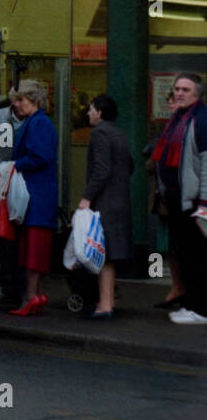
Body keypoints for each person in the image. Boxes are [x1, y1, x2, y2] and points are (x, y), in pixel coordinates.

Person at [150, 72, 207, 324]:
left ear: (197, 93)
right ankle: (191, 304)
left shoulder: (201, 119)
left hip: (195, 203)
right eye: (177, 89)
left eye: (186, 89)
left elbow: (206, 163)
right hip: (178, 202)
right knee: (185, 255)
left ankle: (200, 309)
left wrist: (204, 204)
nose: (180, 93)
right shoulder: (179, 118)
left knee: (197, 257)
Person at [78, 93, 133, 318]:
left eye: (91, 109)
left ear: (99, 113)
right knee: (107, 256)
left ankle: (105, 305)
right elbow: (130, 165)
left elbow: (101, 170)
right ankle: (106, 302)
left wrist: (86, 198)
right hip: (120, 199)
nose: (88, 113)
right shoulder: (119, 133)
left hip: (105, 202)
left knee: (101, 253)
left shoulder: (99, 133)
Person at [8, 79, 58, 316]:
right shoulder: (39, 122)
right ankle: (37, 295)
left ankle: (30, 297)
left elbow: (40, 156)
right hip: (40, 194)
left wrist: (13, 164)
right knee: (35, 249)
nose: (16, 105)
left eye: (20, 100)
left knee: (32, 250)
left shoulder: (38, 123)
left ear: (34, 100)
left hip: (36, 196)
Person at [0, 96, 24, 306]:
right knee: (6, 236)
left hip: (12, 181)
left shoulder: (30, 121)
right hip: (5, 182)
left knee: (10, 237)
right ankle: (10, 286)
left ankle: (12, 285)